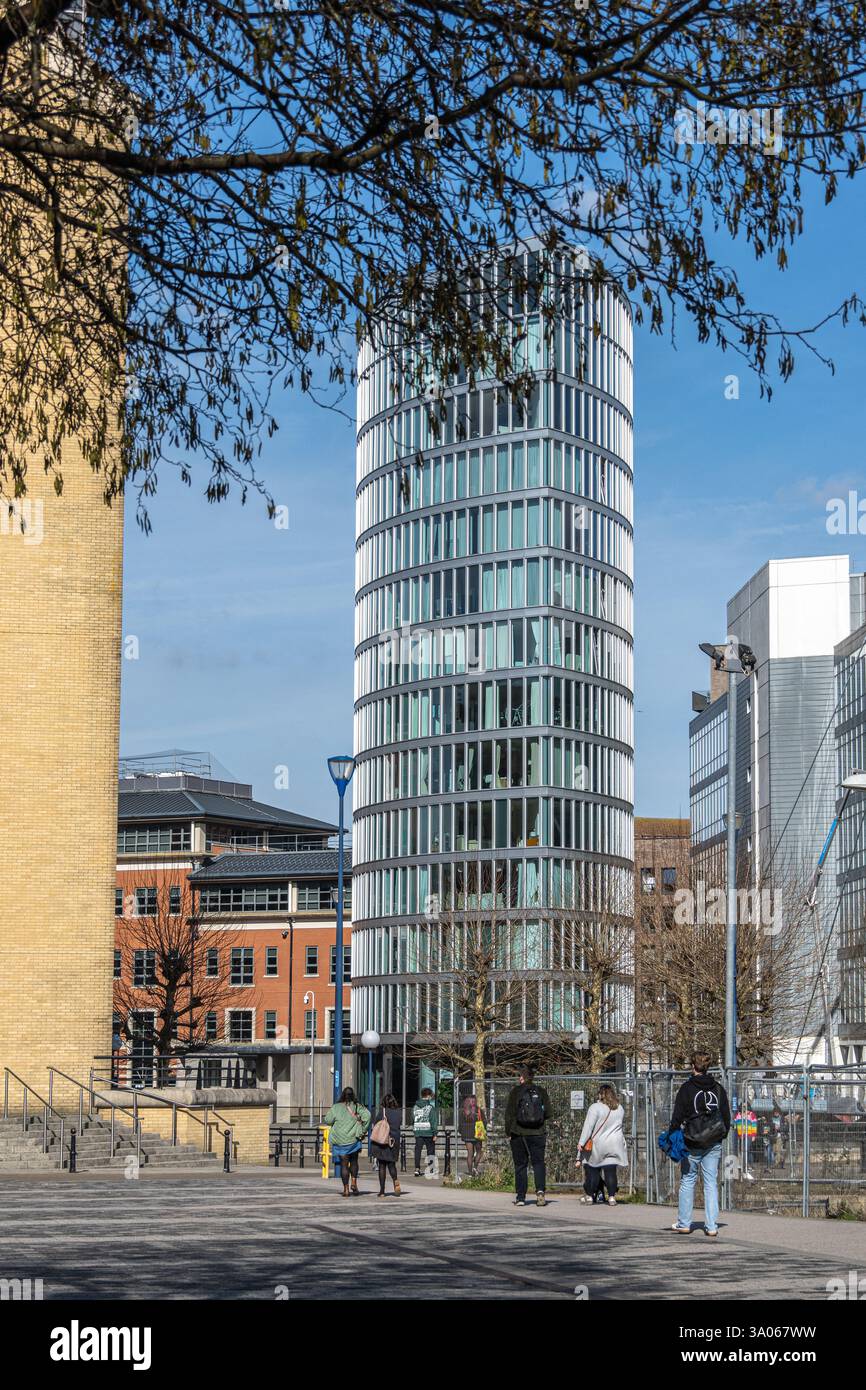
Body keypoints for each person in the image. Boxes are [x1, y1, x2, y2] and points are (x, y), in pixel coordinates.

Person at [669, 1053, 731, 1238]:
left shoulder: (687, 1089)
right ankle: (711, 1226)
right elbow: (726, 1116)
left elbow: (677, 1116)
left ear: (692, 1066)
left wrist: (672, 1135)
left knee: (688, 1180)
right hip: (713, 1141)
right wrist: (722, 1134)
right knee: (710, 1183)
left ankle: (684, 1223)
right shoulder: (718, 1089)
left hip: (691, 1140)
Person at [503, 1064, 554, 1207]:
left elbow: (509, 1114)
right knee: (538, 1163)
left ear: (522, 1078)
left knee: (520, 1165)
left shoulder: (516, 1092)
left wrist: (508, 1132)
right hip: (538, 1133)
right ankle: (540, 1192)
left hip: (518, 1133)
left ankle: (520, 1197)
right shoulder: (541, 1091)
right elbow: (549, 1113)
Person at [575, 1083, 628, 1206]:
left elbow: (588, 1127)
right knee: (610, 1171)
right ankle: (612, 1197)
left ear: (600, 1094)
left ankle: (590, 1196)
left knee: (593, 1170)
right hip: (615, 1143)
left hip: (599, 1144)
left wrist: (581, 1143)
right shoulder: (619, 1108)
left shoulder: (595, 1108)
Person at [323, 1087, 371, 1196]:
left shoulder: (336, 1107)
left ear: (342, 1095)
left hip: (339, 1140)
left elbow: (328, 1120)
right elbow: (367, 1116)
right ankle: (354, 1182)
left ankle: (346, 1189)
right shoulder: (357, 1106)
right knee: (354, 1161)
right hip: (353, 1139)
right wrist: (363, 1130)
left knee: (344, 1165)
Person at [371, 1092, 402, 1197]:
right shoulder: (398, 1113)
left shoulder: (382, 1112)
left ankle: (382, 1191)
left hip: (383, 1141)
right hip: (394, 1142)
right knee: (392, 1164)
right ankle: (395, 1181)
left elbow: (376, 1124)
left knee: (382, 1166)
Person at [412, 1087, 439, 1176]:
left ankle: (417, 1169)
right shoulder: (430, 1108)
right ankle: (431, 1169)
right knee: (430, 1151)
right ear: (428, 1096)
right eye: (430, 1096)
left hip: (418, 1131)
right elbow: (433, 1121)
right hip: (428, 1132)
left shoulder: (415, 1107)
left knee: (418, 1151)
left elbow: (413, 1119)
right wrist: (435, 1133)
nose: (431, 1097)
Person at [458, 1092, 486, 1175]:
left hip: (467, 1135)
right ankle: (475, 1168)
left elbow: (460, 1124)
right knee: (479, 1151)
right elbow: (484, 1122)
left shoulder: (463, 1111)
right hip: (477, 1134)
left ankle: (470, 1172)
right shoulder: (479, 1110)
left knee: (470, 1154)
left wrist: (462, 1132)